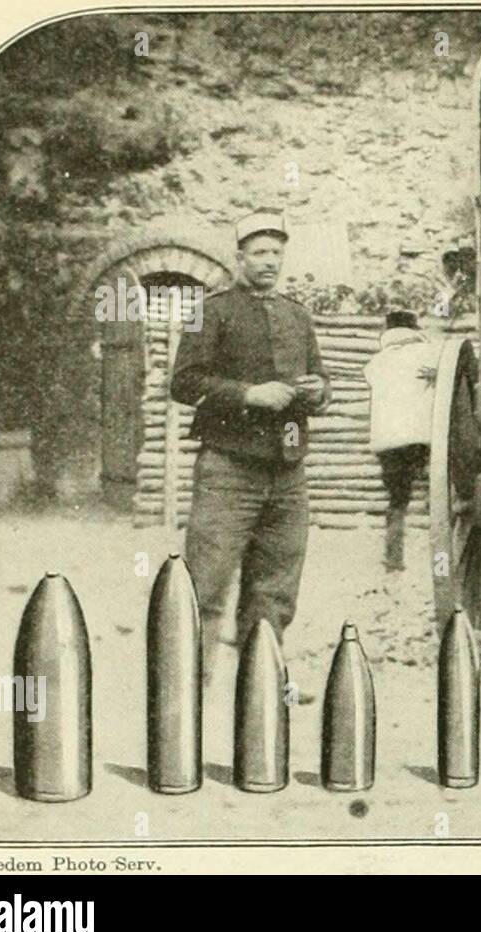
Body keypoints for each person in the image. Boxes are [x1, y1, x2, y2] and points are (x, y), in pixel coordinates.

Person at [170, 209, 331, 675]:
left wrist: (320, 390)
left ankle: (258, 684)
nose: (269, 261)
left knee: (276, 588)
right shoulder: (214, 311)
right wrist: (248, 394)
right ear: (239, 258)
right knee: (206, 581)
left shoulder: (297, 316)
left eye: (277, 253)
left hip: (287, 472)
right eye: (259, 253)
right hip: (229, 469)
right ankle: (189, 687)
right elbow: (184, 383)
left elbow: (319, 375)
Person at [373, 308, 429, 571]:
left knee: (397, 500)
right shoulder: (425, 354)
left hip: (388, 442)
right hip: (421, 437)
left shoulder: (376, 363)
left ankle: (393, 559)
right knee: (436, 488)